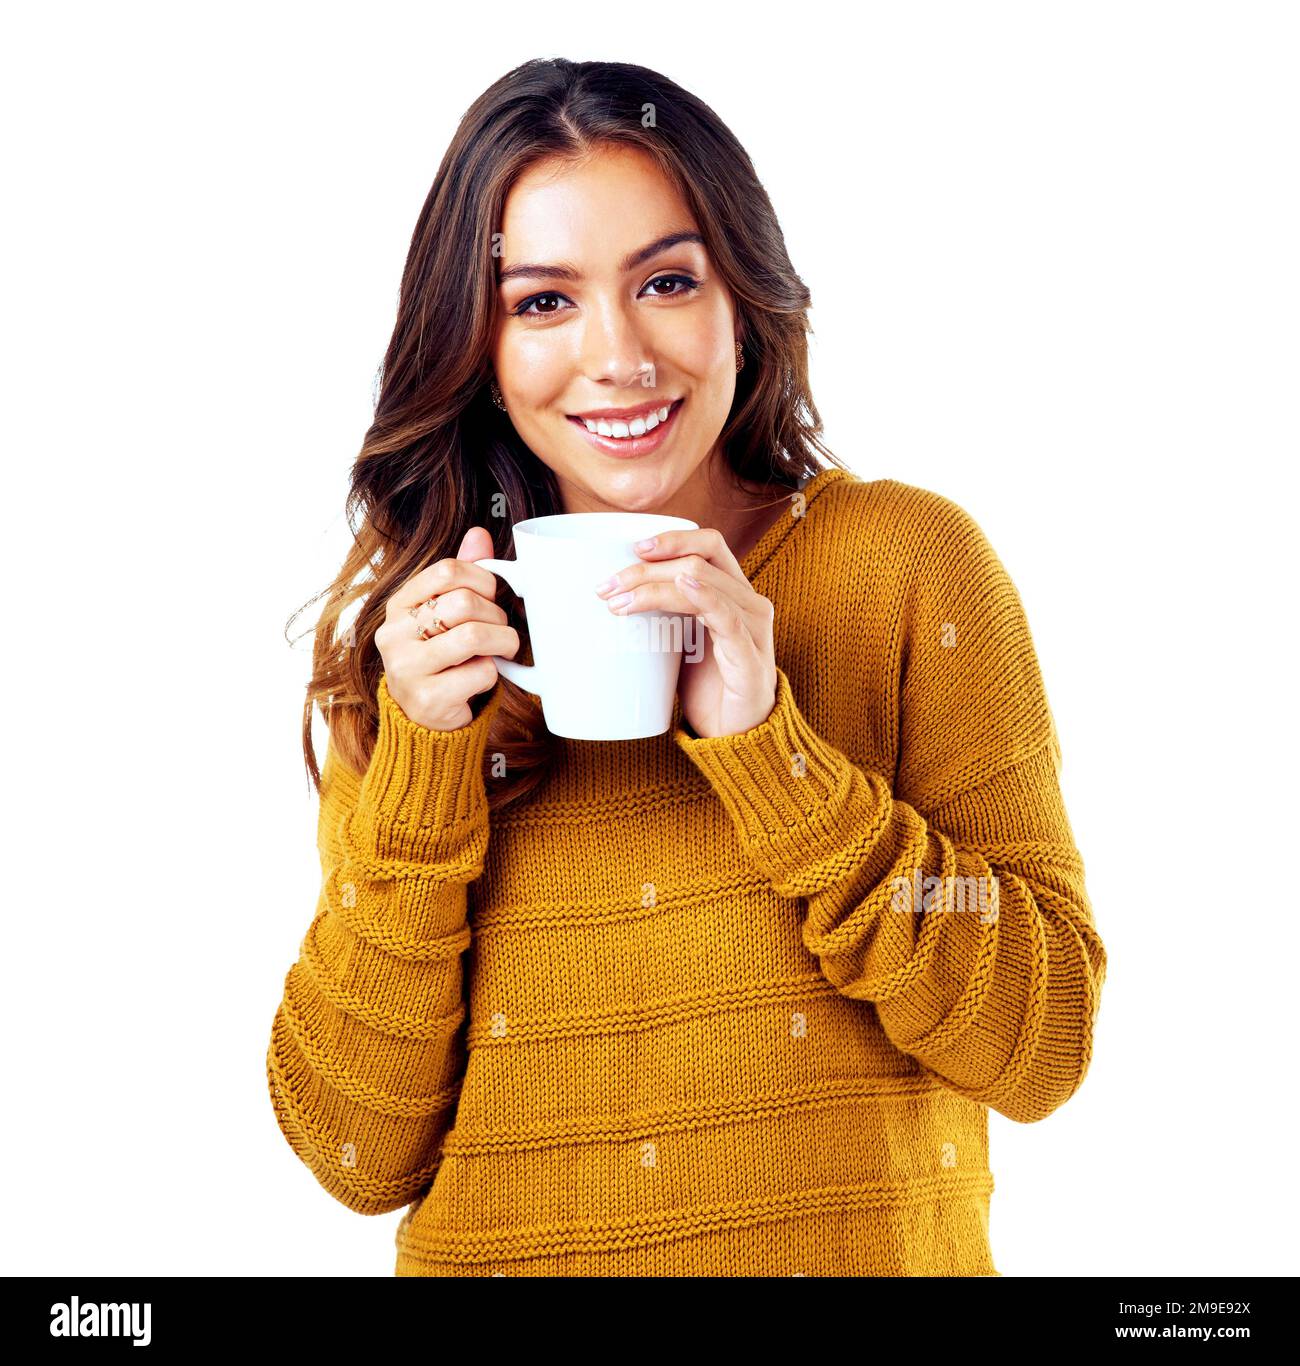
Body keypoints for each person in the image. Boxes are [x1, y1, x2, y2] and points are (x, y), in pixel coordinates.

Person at [266, 57, 1107, 1277]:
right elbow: (354, 1154)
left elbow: (1043, 1039)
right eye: (542, 302)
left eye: (666, 281)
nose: (619, 357)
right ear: (476, 342)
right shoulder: (421, 650)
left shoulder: (908, 567)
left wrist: (780, 757)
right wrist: (418, 776)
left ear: (741, 301)